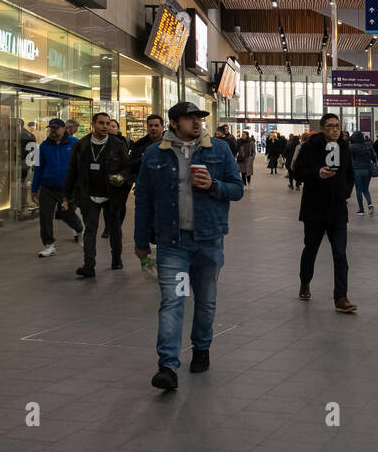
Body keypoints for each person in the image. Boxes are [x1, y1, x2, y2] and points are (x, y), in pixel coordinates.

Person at [134, 101, 244, 391]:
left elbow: (237, 189)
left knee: (206, 301)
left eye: (199, 117)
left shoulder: (218, 150)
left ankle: (202, 347)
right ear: (174, 123)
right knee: (173, 301)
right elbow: (143, 199)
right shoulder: (153, 154)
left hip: (208, 240)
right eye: (189, 118)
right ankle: (168, 366)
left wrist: (214, 185)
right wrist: (140, 242)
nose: (196, 122)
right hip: (173, 243)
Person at [294, 113, 358, 313]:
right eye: (330, 126)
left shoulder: (345, 148)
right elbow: (297, 171)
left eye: (337, 126)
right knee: (311, 249)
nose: (335, 129)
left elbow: (350, 175)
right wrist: (317, 173)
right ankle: (305, 281)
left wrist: (344, 193)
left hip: (337, 209)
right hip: (314, 208)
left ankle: (341, 297)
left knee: (340, 254)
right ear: (322, 128)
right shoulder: (309, 147)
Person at [65, 111, 131, 276]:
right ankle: (89, 266)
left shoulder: (117, 144)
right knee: (90, 230)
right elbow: (72, 170)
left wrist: (121, 177)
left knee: (115, 229)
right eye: (101, 123)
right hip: (88, 194)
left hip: (111, 194)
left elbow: (127, 168)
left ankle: (116, 259)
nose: (105, 126)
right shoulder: (82, 145)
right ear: (93, 124)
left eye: (108, 123)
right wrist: (67, 194)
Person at [30, 118, 85, 257]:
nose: (53, 131)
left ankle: (80, 230)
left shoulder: (75, 143)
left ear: (63, 129)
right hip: (47, 187)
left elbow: (81, 166)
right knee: (45, 216)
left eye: (56, 128)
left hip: (67, 188)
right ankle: (49, 245)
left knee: (66, 214)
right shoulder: (43, 146)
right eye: (51, 128)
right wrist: (34, 188)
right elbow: (38, 167)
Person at [347, 130, 377, 215]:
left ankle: (361, 210)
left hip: (357, 170)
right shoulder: (368, 145)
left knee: (358, 190)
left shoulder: (352, 147)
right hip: (367, 170)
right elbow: (374, 157)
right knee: (366, 189)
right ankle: (370, 204)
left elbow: (349, 159)